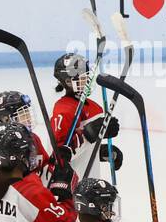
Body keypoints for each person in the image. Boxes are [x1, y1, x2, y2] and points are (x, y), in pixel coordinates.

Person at [50, 53, 121, 181]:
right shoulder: (63, 110)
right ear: (68, 82)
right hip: (71, 187)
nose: (87, 81)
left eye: (88, 77)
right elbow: (59, 157)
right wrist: (88, 134)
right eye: (83, 78)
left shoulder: (95, 107)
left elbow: (85, 150)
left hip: (90, 184)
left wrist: (102, 152)